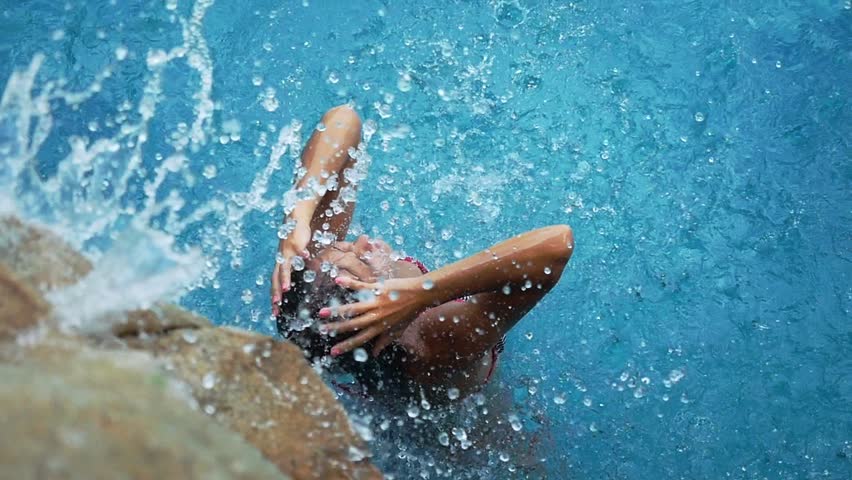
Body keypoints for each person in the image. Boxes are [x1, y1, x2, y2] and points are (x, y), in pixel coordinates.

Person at [271, 104, 574, 401]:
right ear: (380, 307)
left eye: (343, 245)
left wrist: (299, 213)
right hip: (459, 420)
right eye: (359, 257)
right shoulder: (433, 345)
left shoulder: (309, 299)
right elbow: (556, 245)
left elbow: (343, 119)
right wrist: (423, 293)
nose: (361, 241)